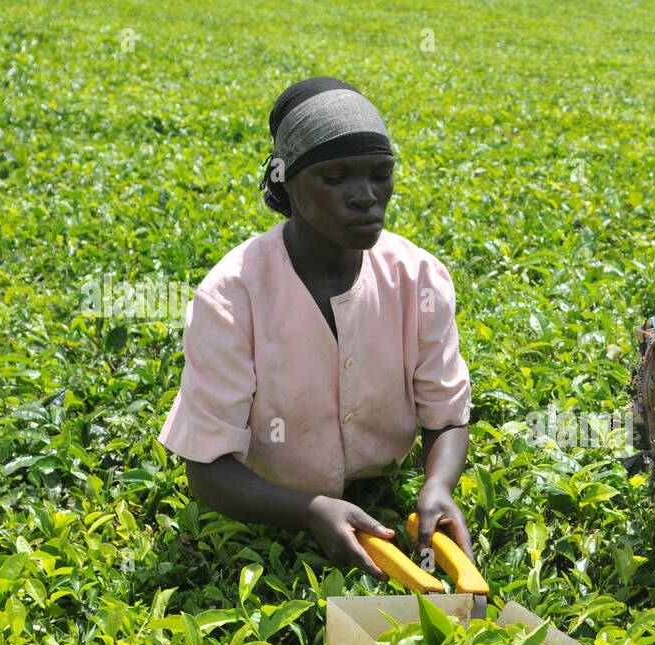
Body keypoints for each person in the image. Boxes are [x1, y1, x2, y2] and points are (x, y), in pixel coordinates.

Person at [156, 77, 474, 581]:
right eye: (336, 178)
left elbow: (446, 414)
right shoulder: (233, 295)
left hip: (379, 483)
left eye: (380, 174)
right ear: (287, 183)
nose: (365, 197)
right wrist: (309, 510)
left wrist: (437, 487)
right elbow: (207, 468)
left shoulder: (418, 278)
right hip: (264, 497)